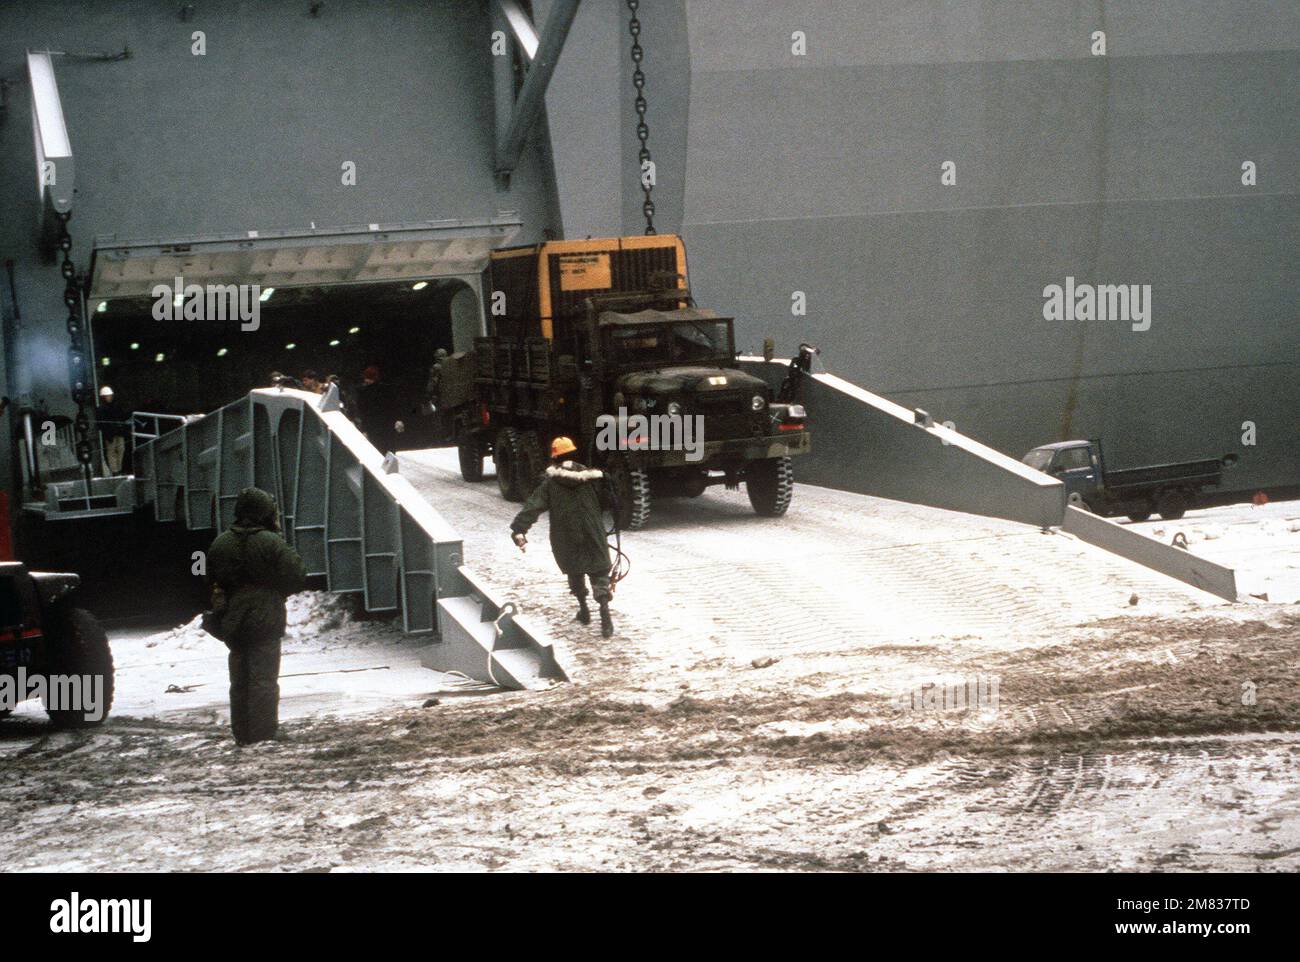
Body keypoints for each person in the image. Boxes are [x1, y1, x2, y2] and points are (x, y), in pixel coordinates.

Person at [207, 487, 307, 745]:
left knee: (239, 679)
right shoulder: (271, 541)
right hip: (265, 616)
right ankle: (263, 734)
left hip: (233, 618)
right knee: (264, 679)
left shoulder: (221, 542)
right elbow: (297, 574)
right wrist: (276, 588)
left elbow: (208, 576)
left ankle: (242, 733)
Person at [510, 437, 615, 637]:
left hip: (565, 536)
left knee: (575, 571)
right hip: (593, 532)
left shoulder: (550, 484)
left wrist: (519, 529)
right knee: (599, 570)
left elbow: (533, 507)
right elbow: (610, 500)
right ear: (575, 455)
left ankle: (584, 609)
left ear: (555, 458)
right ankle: (604, 610)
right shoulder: (593, 479)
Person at [356, 365, 402, 454]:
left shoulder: (363, 392)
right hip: (387, 426)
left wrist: (364, 429)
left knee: (374, 452)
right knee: (388, 451)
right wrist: (397, 419)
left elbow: (363, 412)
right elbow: (394, 406)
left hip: (372, 427)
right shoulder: (387, 390)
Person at [96, 385, 129, 475]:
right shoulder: (101, 409)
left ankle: (119, 468)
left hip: (119, 432)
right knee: (111, 452)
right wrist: (106, 433)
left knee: (121, 449)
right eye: (107, 396)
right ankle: (115, 471)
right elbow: (100, 423)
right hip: (109, 433)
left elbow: (123, 416)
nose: (109, 397)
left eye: (110, 395)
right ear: (103, 397)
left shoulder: (116, 407)